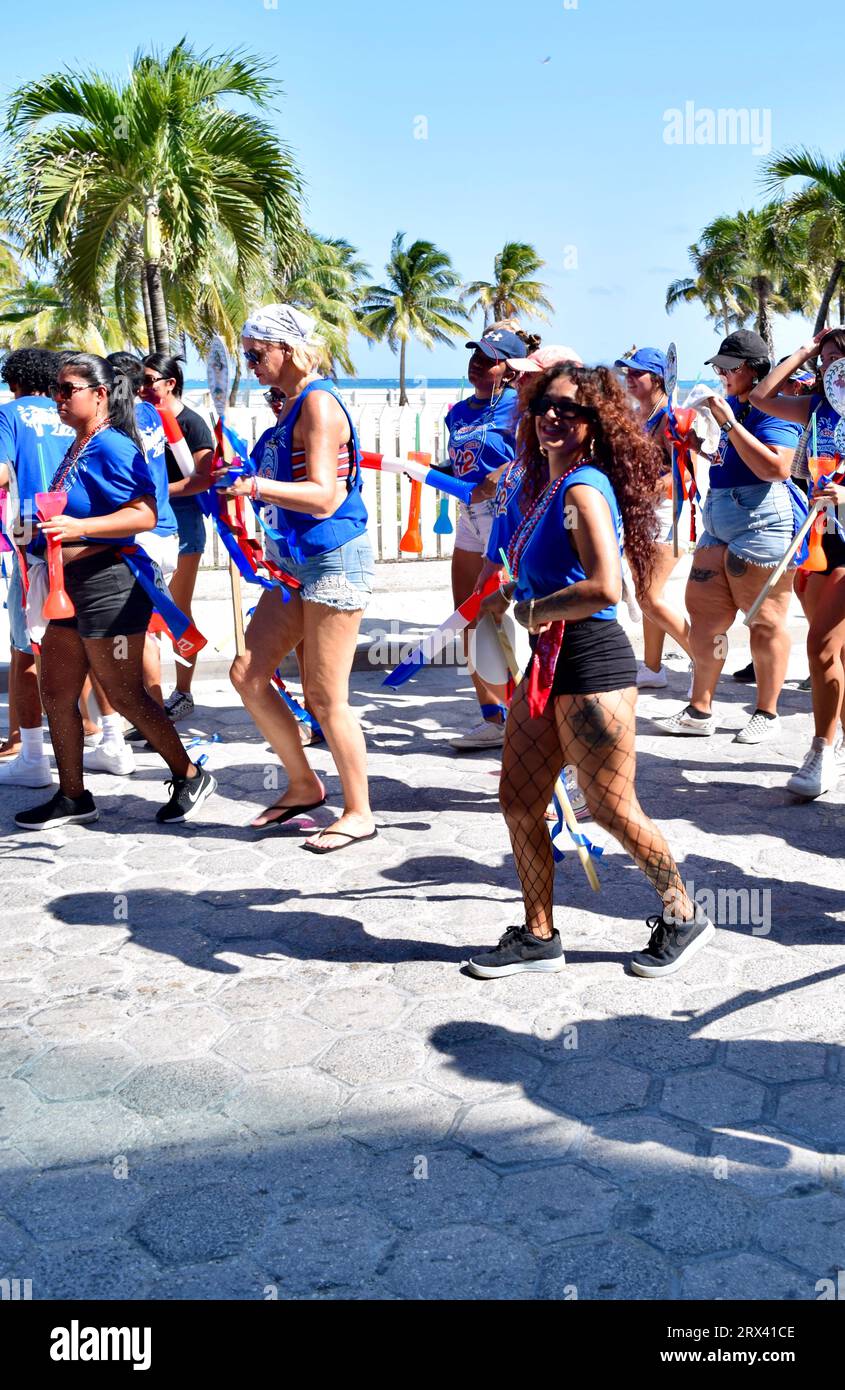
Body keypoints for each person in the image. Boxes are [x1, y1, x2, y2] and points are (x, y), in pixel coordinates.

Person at [466, 363, 714, 979]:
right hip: (545, 665)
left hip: (592, 663)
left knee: (607, 804)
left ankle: (683, 913)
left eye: (572, 410)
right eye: (546, 405)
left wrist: (530, 608)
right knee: (519, 799)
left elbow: (605, 587)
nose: (554, 416)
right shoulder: (545, 487)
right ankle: (538, 934)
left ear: (596, 423)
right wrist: (507, 593)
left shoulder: (581, 489)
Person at [12, 353, 215, 831]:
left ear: (99, 394)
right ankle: (73, 795)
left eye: (68, 390)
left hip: (111, 586)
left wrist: (79, 526)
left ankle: (189, 775)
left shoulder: (112, 447)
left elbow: (144, 513)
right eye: (56, 390)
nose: (57, 399)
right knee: (57, 691)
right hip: (69, 586)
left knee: (124, 693)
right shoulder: (79, 443)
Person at [224, 303, 375, 852]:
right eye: (245, 355)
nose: (250, 364)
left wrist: (254, 489)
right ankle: (304, 785)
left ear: (286, 348)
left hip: (334, 558)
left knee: (325, 695)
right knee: (248, 672)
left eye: (256, 353)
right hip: (295, 561)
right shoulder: (290, 407)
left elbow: (324, 496)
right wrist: (238, 476)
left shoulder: (318, 403)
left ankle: (359, 812)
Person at [655, 330, 803, 745]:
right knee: (705, 617)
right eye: (718, 366)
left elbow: (776, 468)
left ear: (754, 371)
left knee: (764, 621)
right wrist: (699, 446)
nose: (720, 373)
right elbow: (735, 457)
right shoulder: (735, 405)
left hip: (762, 519)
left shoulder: (772, 409)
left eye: (728, 367)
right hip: (719, 516)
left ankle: (767, 711)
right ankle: (700, 708)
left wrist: (729, 422)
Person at [750, 327, 845, 795]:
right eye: (826, 360)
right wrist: (803, 353)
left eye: (839, 359)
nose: (832, 367)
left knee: (821, 647)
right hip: (818, 536)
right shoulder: (815, 406)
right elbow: (760, 395)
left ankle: (821, 751)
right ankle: (837, 736)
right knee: (837, 653)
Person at [82, 351, 180, 776]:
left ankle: (132, 731)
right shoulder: (156, 415)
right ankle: (149, 721)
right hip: (166, 531)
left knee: (119, 644)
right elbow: (192, 468)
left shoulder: (115, 426)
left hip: (136, 535)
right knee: (147, 635)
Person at [445, 327, 526, 750]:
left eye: (489, 359)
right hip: (468, 517)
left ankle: (522, 711)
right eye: (475, 355)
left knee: (499, 615)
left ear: (509, 370)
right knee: (467, 614)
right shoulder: (458, 411)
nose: (478, 363)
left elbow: (535, 458)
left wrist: (503, 476)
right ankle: (491, 715)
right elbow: (459, 463)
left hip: (504, 516)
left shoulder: (520, 408)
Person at [0, 348, 74, 787]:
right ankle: (107, 739)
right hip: (78, 533)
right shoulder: (72, 409)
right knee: (80, 640)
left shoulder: (11, 413)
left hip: (32, 539)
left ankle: (32, 757)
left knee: (25, 646)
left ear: (13, 382)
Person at [614, 347, 697, 689]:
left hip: (667, 514)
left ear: (659, 378)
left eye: (638, 373)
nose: (629, 378)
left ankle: (704, 660)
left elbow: (687, 476)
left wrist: (648, 489)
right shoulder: (637, 417)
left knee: (649, 596)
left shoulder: (671, 419)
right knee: (647, 591)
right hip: (641, 513)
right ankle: (652, 667)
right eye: (627, 373)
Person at [138, 353, 214, 722]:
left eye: (150, 379)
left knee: (176, 610)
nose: (142, 386)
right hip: (146, 522)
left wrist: (159, 492)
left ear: (170, 384)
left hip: (182, 523)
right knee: (145, 612)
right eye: (139, 380)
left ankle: (183, 692)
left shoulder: (192, 422)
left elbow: (202, 478)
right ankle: (148, 697)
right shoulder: (139, 417)